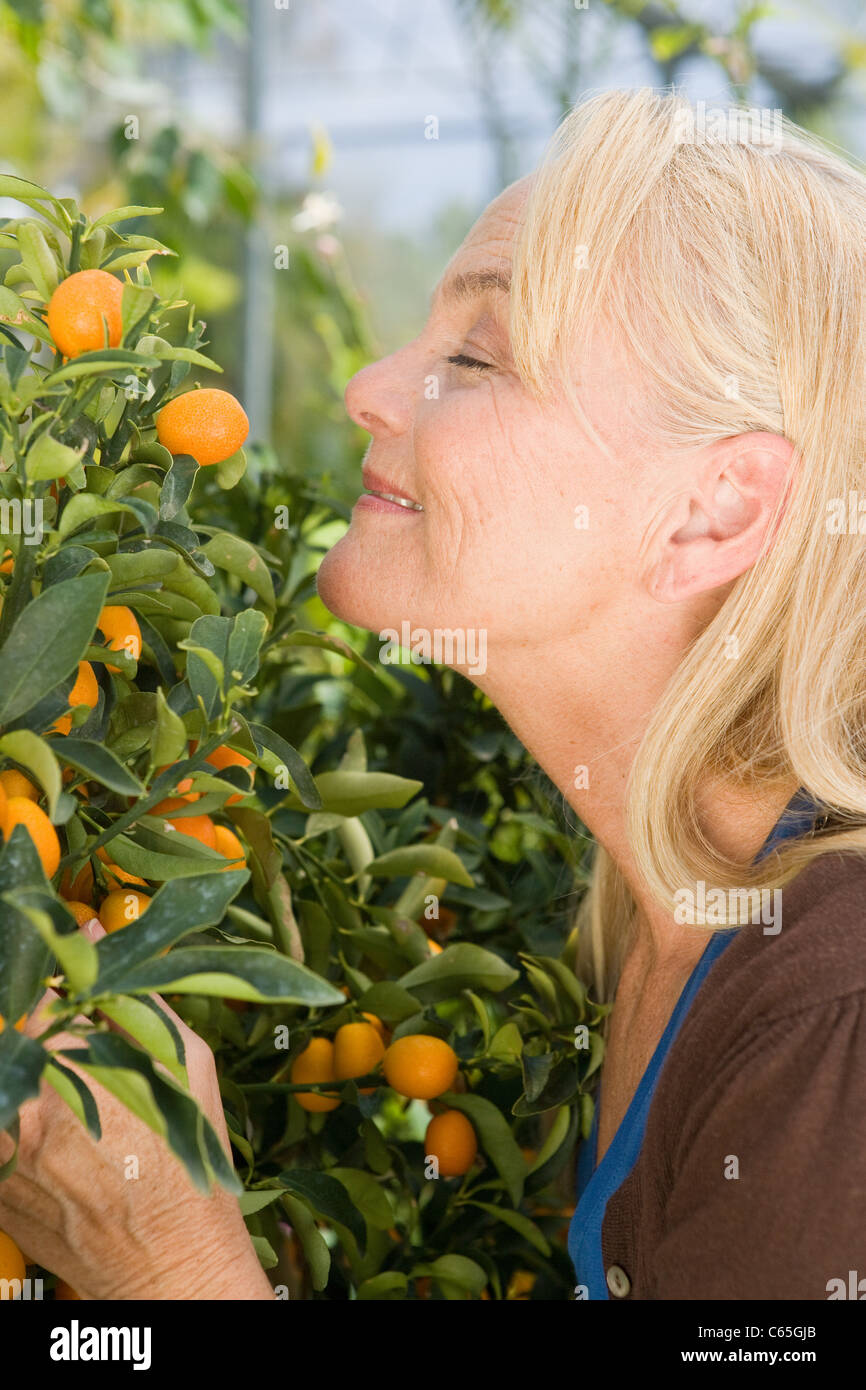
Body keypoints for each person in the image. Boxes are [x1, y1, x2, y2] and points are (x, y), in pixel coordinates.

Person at [3, 86, 865, 1299]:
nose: (366, 382)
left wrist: (170, 1265)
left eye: (474, 357)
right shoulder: (655, 917)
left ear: (712, 509)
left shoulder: (831, 1036)